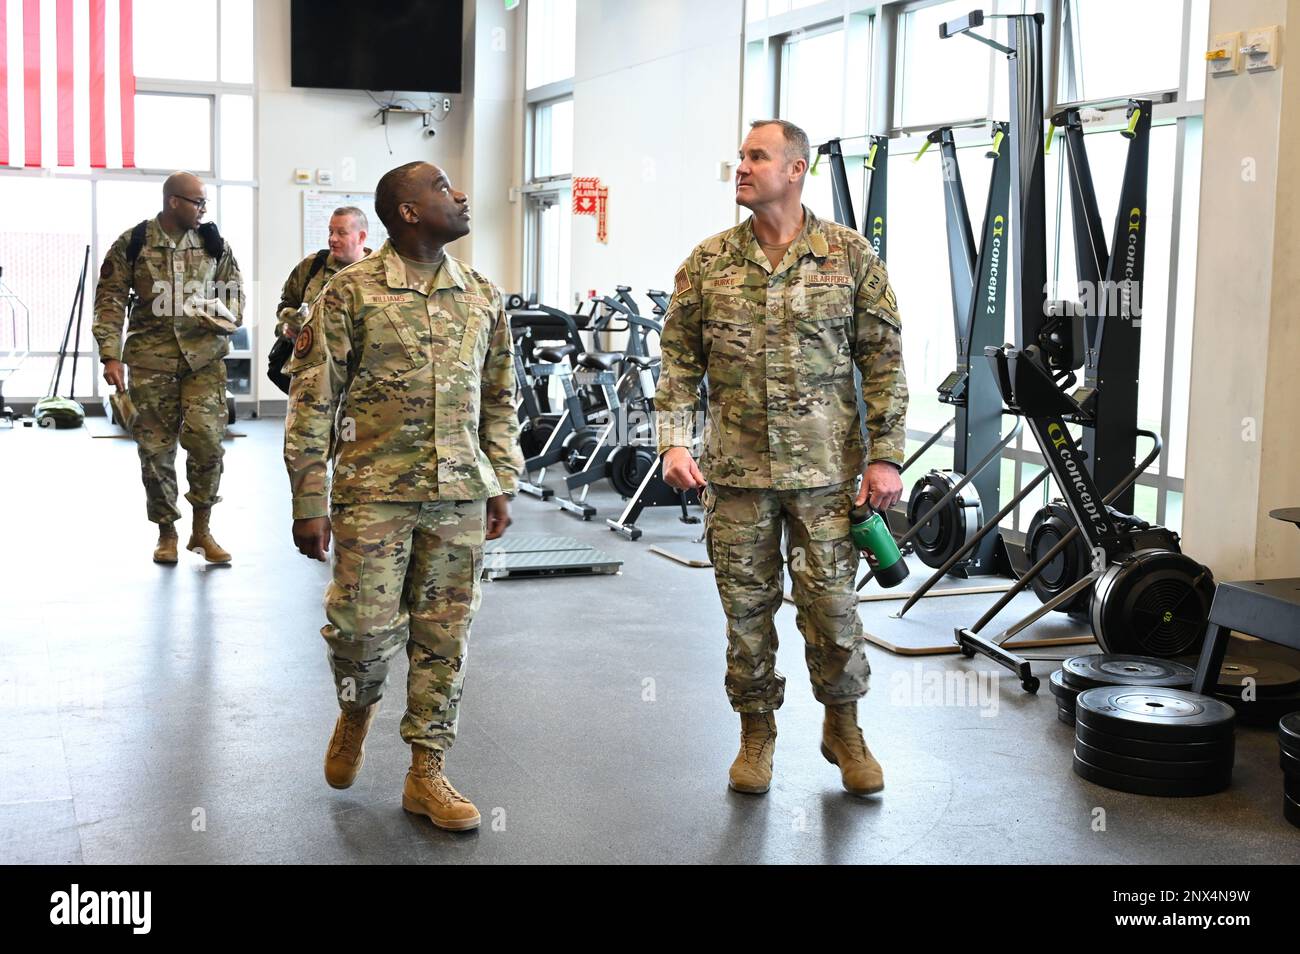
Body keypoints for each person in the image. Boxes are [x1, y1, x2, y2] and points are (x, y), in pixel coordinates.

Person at [658, 119, 908, 796]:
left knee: (833, 609)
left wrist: (886, 457)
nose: (742, 166)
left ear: (796, 170)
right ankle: (756, 732)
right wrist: (675, 438)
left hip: (827, 478)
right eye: (740, 155)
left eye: (758, 157)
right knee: (745, 614)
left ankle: (844, 727)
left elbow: (883, 362)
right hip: (736, 476)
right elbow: (678, 362)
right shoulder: (708, 263)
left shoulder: (850, 256)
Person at [283, 161, 521, 832]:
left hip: (458, 497)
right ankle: (357, 709)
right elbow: (312, 402)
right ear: (409, 211)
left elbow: (500, 399)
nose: (463, 195)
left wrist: (501, 478)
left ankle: (427, 771)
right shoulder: (349, 294)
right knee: (360, 636)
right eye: (445, 189)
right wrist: (310, 498)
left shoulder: (481, 295)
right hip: (373, 495)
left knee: (444, 637)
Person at [92, 171, 244, 565]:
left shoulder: (213, 243)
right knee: (155, 452)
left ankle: (202, 530)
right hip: (150, 361)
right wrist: (110, 354)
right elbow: (109, 298)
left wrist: (222, 317)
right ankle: (167, 532)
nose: (203, 210)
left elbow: (235, 293)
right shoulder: (134, 242)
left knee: (209, 443)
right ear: (173, 202)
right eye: (198, 202)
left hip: (203, 361)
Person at [275, 206, 371, 339]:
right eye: (331, 232)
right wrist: (286, 326)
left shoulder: (379, 272)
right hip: (308, 357)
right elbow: (286, 306)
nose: (333, 239)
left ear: (361, 237)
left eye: (341, 233)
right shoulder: (312, 265)